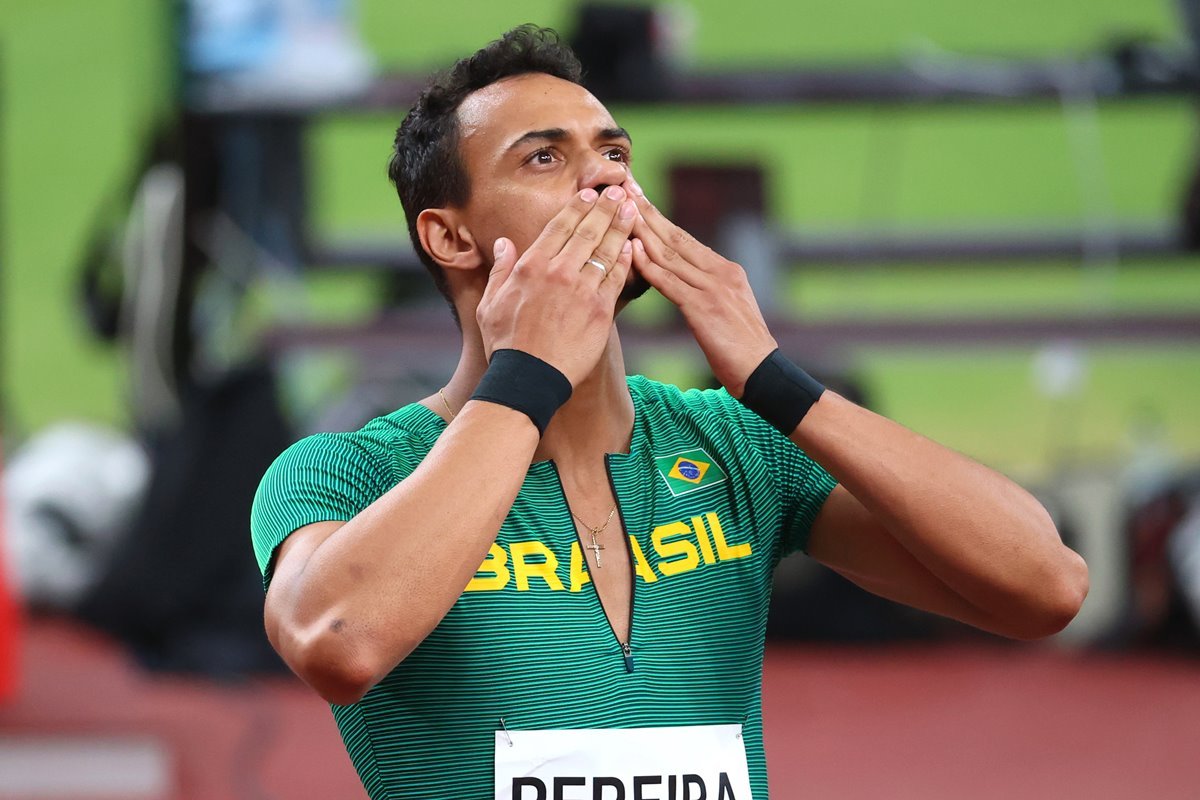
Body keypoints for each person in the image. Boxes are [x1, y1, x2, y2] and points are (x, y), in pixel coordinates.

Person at [251, 25, 1089, 799]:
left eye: (614, 151)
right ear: (451, 238)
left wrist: (773, 378)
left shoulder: (737, 444)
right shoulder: (346, 471)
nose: (605, 178)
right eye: (544, 159)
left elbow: (1043, 586)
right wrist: (528, 376)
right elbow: (338, 642)